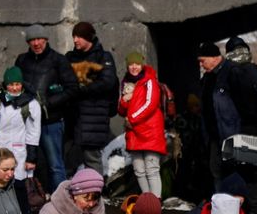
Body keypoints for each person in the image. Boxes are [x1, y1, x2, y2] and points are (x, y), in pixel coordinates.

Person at [196, 41, 257, 214]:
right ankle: (221, 210)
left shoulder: (233, 72)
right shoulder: (208, 79)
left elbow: (248, 104)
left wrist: (248, 129)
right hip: (215, 136)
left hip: (235, 134)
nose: (201, 65)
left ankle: (256, 211)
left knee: (244, 174)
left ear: (214, 58)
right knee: (217, 172)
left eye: (203, 61)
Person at [14, 24, 77, 191]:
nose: (36, 43)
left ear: (46, 39)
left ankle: (61, 199)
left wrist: (48, 103)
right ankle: (34, 200)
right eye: (32, 40)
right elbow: (15, 85)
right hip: (26, 122)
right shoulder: (22, 60)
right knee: (28, 163)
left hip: (51, 121)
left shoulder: (58, 60)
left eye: (39, 39)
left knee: (55, 164)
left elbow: (72, 88)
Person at [64, 22, 118, 173]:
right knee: (68, 158)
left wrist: (82, 88)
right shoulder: (70, 58)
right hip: (72, 117)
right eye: (74, 36)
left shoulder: (103, 57)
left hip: (93, 117)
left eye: (79, 36)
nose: (75, 40)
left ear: (89, 38)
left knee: (92, 159)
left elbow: (108, 82)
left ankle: (95, 194)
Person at [118, 52, 167, 196]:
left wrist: (131, 119)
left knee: (151, 169)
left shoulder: (149, 81)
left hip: (150, 131)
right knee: (139, 170)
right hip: (134, 133)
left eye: (137, 64)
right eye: (131, 64)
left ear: (142, 64)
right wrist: (124, 101)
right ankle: (147, 201)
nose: (134, 67)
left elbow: (150, 104)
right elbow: (121, 110)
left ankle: (155, 202)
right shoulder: (125, 83)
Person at [0, 67, 42, 183]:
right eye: (11, 84)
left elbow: (33, 132)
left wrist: (31, 158)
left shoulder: (30, 104)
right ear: (5, 85)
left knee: (18, 183)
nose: (14, 88)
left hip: (19, 152)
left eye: (18, 84)